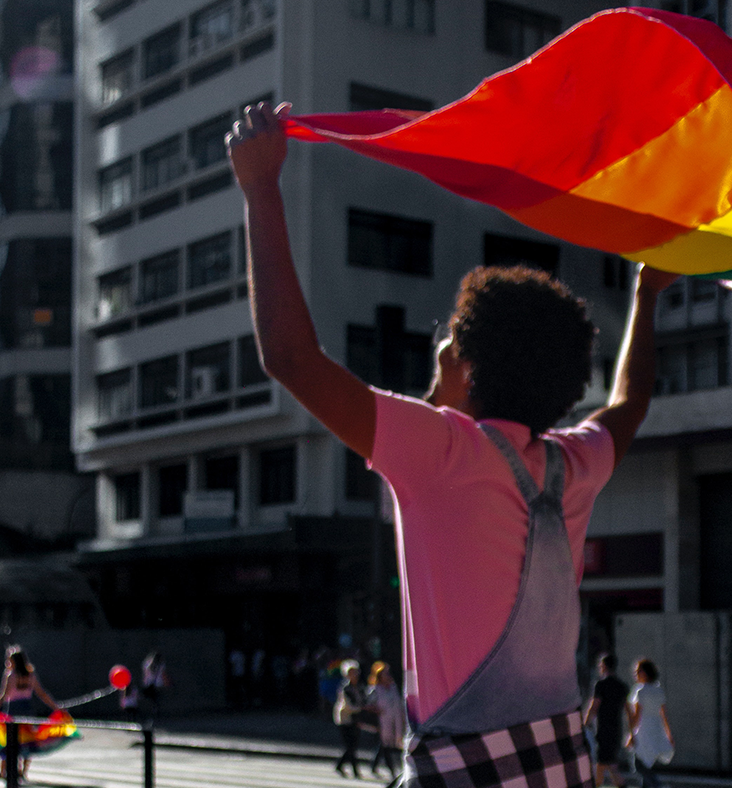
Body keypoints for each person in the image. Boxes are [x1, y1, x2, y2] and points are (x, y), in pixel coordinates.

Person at [228, 101, 675, 788]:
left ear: (468, 368)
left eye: (442, 353)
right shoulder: (572, 463)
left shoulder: (441, 451)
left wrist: (260, 189)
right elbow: (630, 402)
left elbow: (290, 357)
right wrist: (646, 296)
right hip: (561, 764)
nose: (430, 372)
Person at [1, 645, 62, 783]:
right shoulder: (30, 675)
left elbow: (5, 696)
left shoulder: (11, 675)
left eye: (9, 660)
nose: (8, 663)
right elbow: (41, 693)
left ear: (15, 661)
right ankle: (23, 771)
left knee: (9, 743)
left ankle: (4, 771)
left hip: (13, 712)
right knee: (28, 742)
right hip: (27, 710)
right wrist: (56, 707)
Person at [626, 659, 674, 788]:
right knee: (647, 764)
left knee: (639, 764)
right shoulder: (658, 690)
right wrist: (669, 734)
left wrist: (631, 734)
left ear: (644, 673)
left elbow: (636, 716)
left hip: (643, 731)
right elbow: (664, 715)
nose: (635, 675)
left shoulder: (640, 691)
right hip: (656, 729)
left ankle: (658, 786)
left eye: (638, 672)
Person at [585, 654, 630, 787]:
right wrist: (631, 731)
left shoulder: (601, 684)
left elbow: (594, 706)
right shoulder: (621, 685)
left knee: (607, 764)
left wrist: (585, 724)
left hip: (603, 729)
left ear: (604, 666)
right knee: (603, 763)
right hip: (616, 729)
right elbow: (627, 709)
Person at [366, 661, 405, 780]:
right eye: (385, 673)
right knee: (385, 746)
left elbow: (398, 703)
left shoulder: (393, 687)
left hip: (394, 721)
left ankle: (374, 766)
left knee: (383, 746)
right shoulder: (375, 689)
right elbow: (368, 705)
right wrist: (376, 710)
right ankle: (392, 771)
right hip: (381, 722)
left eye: (388, 673)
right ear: (379, 676)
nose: (388, 675)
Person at [333, 660, 366, 778]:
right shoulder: (345, 688)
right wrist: (361, 708)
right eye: (351, 672)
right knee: (350, 746)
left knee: (353, 745)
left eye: (356, 672)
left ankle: (340, 765)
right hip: (345, 720)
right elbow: (348, 706)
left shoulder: (360, 687)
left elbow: (364, 699)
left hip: (355, 720)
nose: (355, 675)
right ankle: (355, 771)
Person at [140, 650, 170, 718]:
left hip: (147, 684)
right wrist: (167, 682)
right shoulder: (161, 664)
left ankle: (150, 712)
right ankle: (155, 712)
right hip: (158, 684)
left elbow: (145, 674)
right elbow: (163, 675)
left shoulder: (146, 663)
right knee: (156, 700)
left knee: (150, 700)